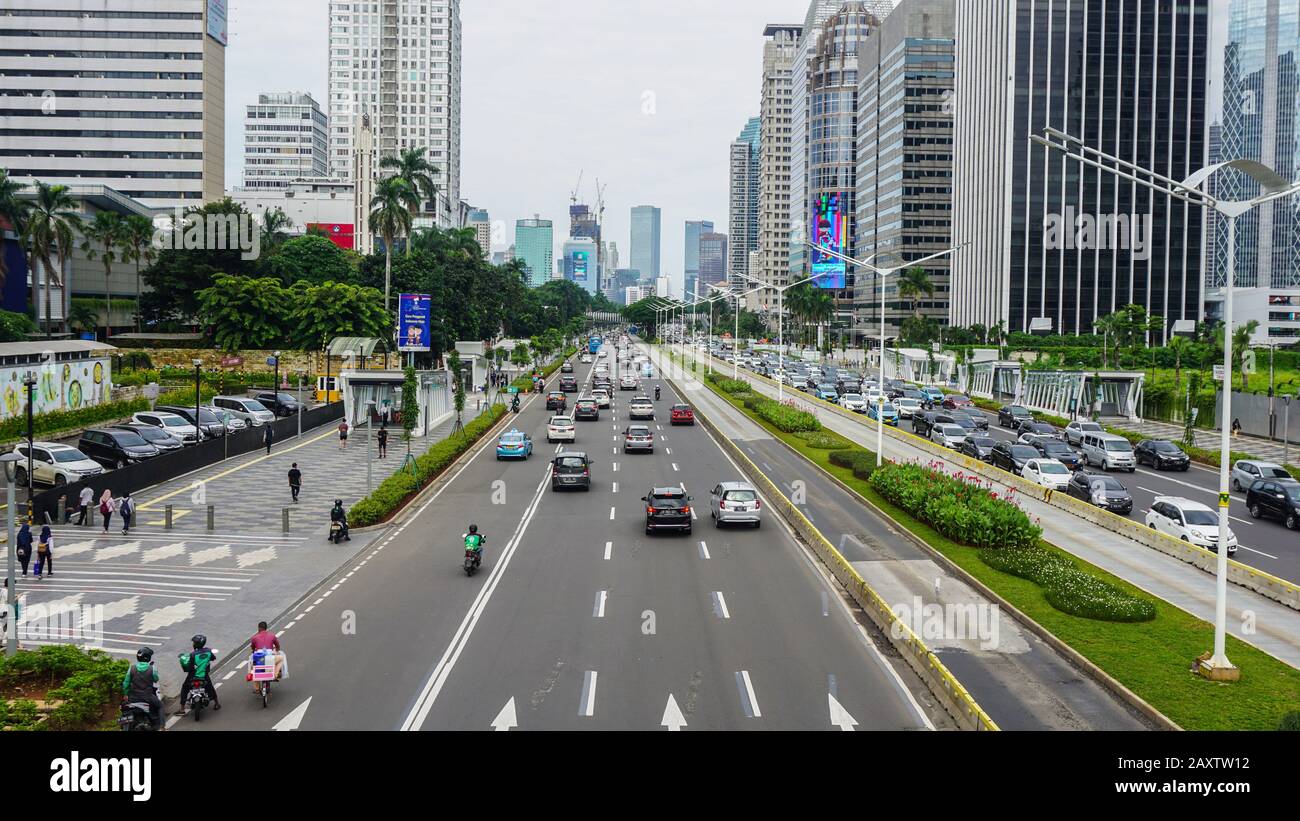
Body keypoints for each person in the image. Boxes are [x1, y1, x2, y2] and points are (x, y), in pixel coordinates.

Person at [121, 647, 162, 729]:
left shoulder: (131, 668)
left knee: (124, 707)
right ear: (148, 657)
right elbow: (156, 679)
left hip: (133, 698)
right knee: (160, 706)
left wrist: (125, 694)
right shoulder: (152, 668)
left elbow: (126, 683)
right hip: (148, 697)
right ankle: (162, 727)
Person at [178, 634, 219, 714]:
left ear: (196, 644)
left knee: (185, 688)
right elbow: (213, 658)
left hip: (192, 676)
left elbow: (190, 668)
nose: (193, 644)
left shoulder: (193, 654)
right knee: (210, 688)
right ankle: (217, 703)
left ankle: (182, 708)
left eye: (194, 642)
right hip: (204, 676)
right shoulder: (208, 651)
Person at [248, 621, 284, 690]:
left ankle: (257, 688)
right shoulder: (272, 636)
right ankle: (275, 674)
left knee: (254, 669)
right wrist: (276, 650)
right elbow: (277, 646)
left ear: (259, 628)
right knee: (281, 658)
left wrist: (254, 650)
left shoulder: (254, 638)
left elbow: (252, 648)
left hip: (259, 659)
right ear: (266, 628)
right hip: (269, 659)